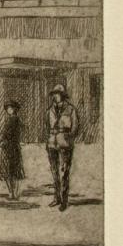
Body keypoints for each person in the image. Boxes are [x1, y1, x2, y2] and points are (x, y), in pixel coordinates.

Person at [46, 83, 80, 211]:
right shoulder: (50, 110)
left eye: (58, 94)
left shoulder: (71, 109)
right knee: (54, 171)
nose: (56, 96)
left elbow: (75, 127)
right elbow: (46, 127)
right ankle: (57, 198)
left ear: (63, 96)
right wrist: (49, 139)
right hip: (52, 144)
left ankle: (64, 200)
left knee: (64, 172)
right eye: (54, 94)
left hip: (65, 144)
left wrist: (68, 137)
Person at [0, 100, 25, 201]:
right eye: (8, 108)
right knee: (14, 171)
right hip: (13, 147)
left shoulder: (13, 120)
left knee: (9, 171)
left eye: (11, 108)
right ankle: (14, 193)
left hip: (9, 148)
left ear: (15, 109)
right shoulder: (15, 119)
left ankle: (12, 193)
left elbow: (8, 135)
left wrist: (1, 140)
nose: (9, 109)